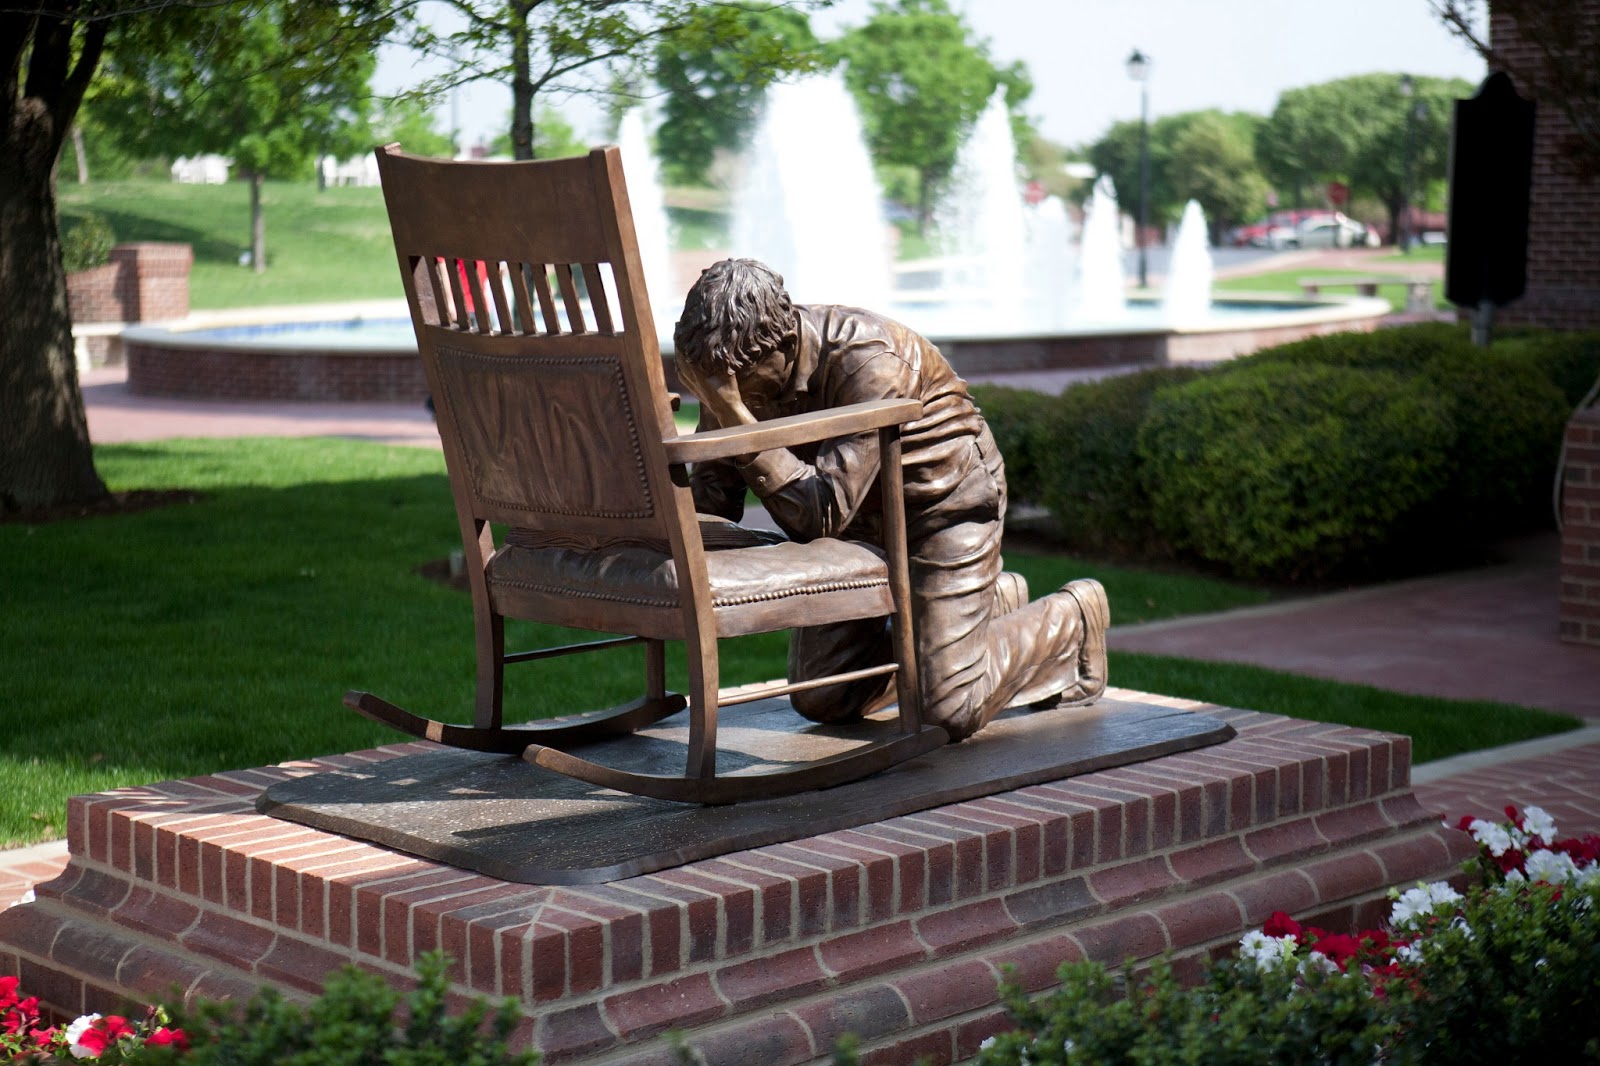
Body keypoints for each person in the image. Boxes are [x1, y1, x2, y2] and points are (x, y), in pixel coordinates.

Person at [672, 258, 1108, 742]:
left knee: (947, 709)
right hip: (858, 524)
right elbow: (717, 500)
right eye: (720, 389)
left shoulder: (869, 358)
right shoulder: (731, 371)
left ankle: (1072, 620)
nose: (736, 399)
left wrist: (735, 417)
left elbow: (823, 513)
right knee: (825, 696)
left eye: (743, 385)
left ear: (786, 344)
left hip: (943, 509)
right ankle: (980, 617)